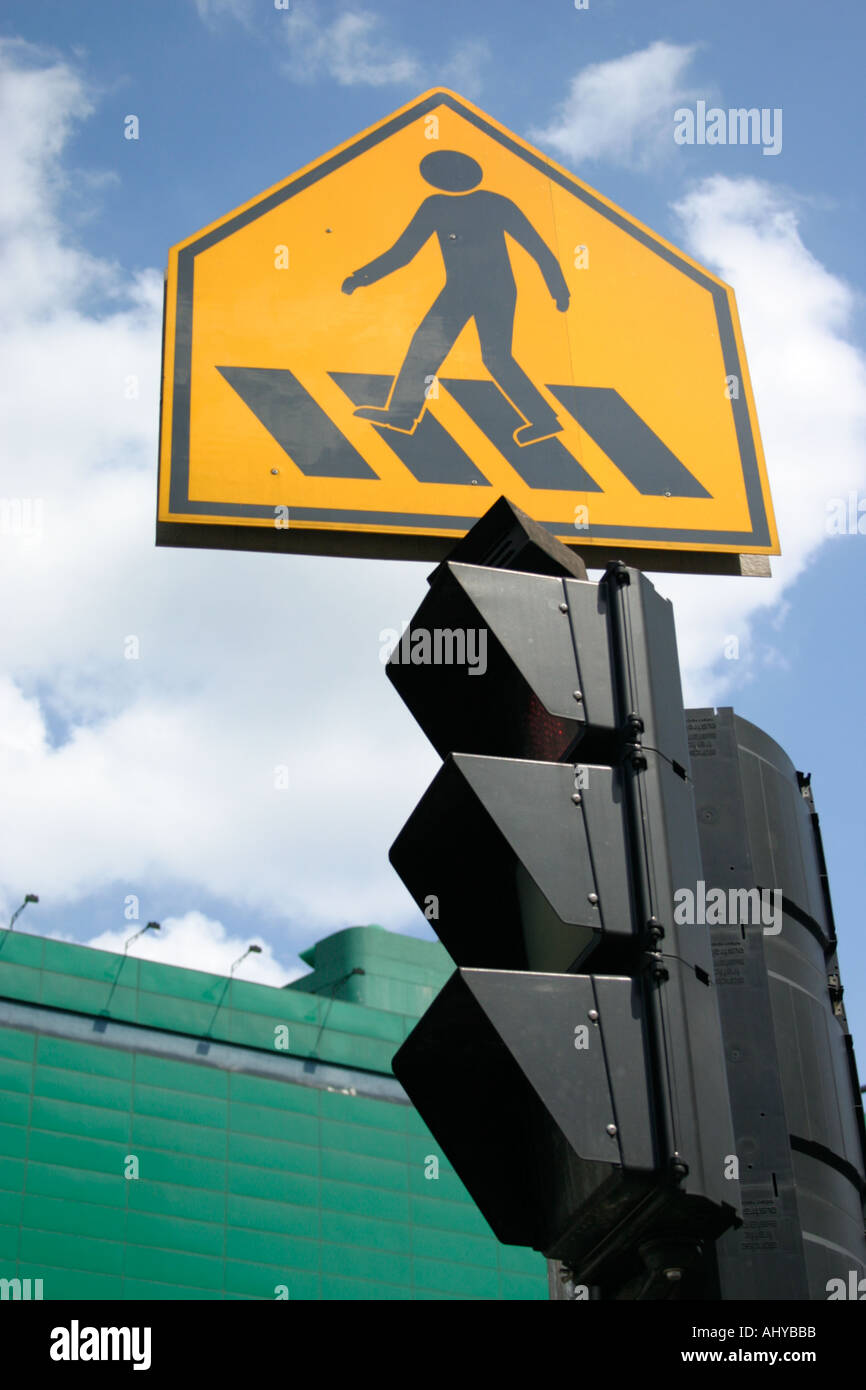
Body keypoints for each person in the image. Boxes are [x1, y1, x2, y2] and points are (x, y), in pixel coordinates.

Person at [342, 150, 570, 446]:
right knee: (424, 347)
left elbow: (537, 248)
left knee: (496, 358)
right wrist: (360, 278)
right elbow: (404, 253)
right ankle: (402, 414)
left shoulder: (495, 203)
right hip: (459, 289)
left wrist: (559, 291)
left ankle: (544, 421)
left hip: (496, 288)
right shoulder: (434, 206)